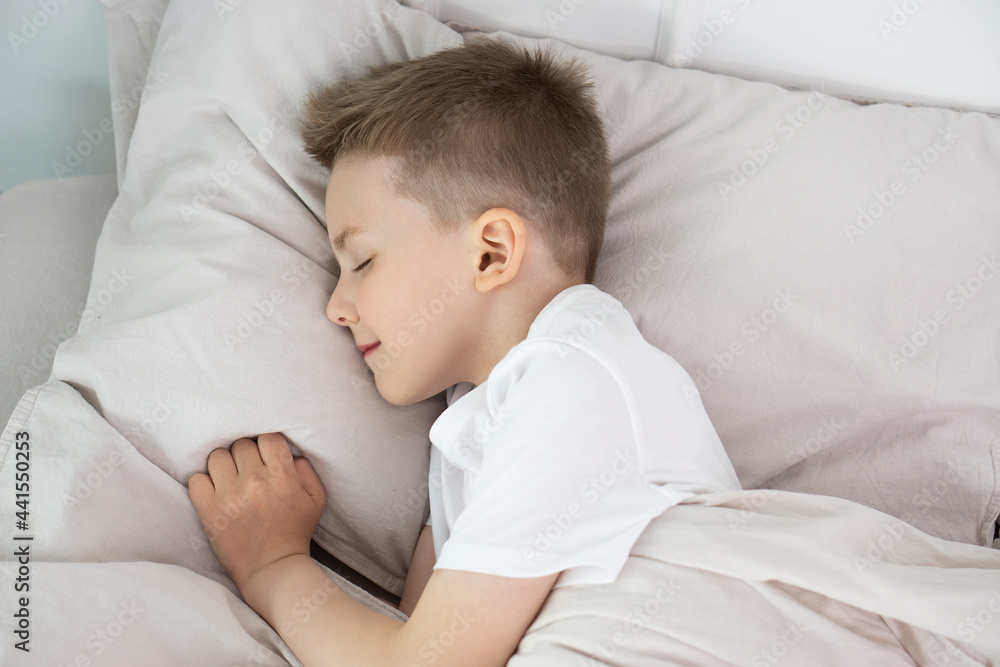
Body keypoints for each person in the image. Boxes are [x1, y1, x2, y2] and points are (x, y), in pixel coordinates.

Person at [187, 37, 741, 666]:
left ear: (491, 253)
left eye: (361, 261)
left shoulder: (575, 381)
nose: (336, 307)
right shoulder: (474, 422)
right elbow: (410, 632)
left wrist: (272, 567)